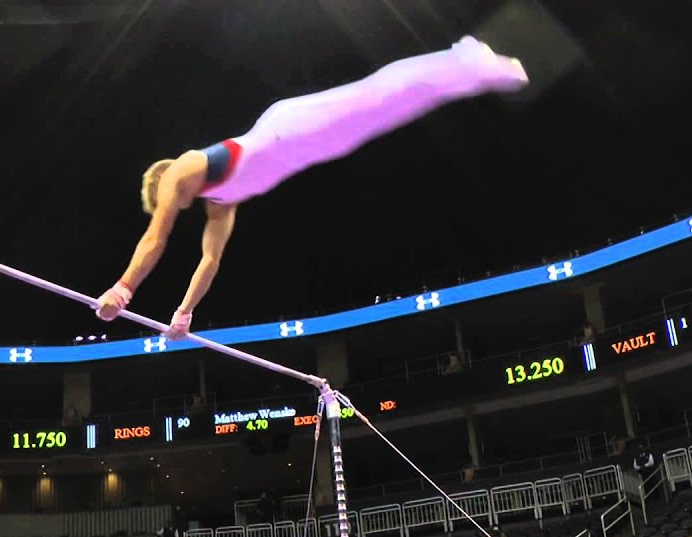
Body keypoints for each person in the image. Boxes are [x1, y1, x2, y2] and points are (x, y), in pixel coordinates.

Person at [94, 37, 529, 337]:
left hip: (289, 129)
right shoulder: (219, 202)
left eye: (165, 203)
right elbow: (209, 261)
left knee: (375, 98)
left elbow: (157, 237)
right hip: (308, 149)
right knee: (387, 111)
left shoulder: (184, 168)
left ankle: (465, 60)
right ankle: (463, 71)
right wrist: (184, 314)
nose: (172, 206)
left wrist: (124, 288)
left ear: (161, 183)